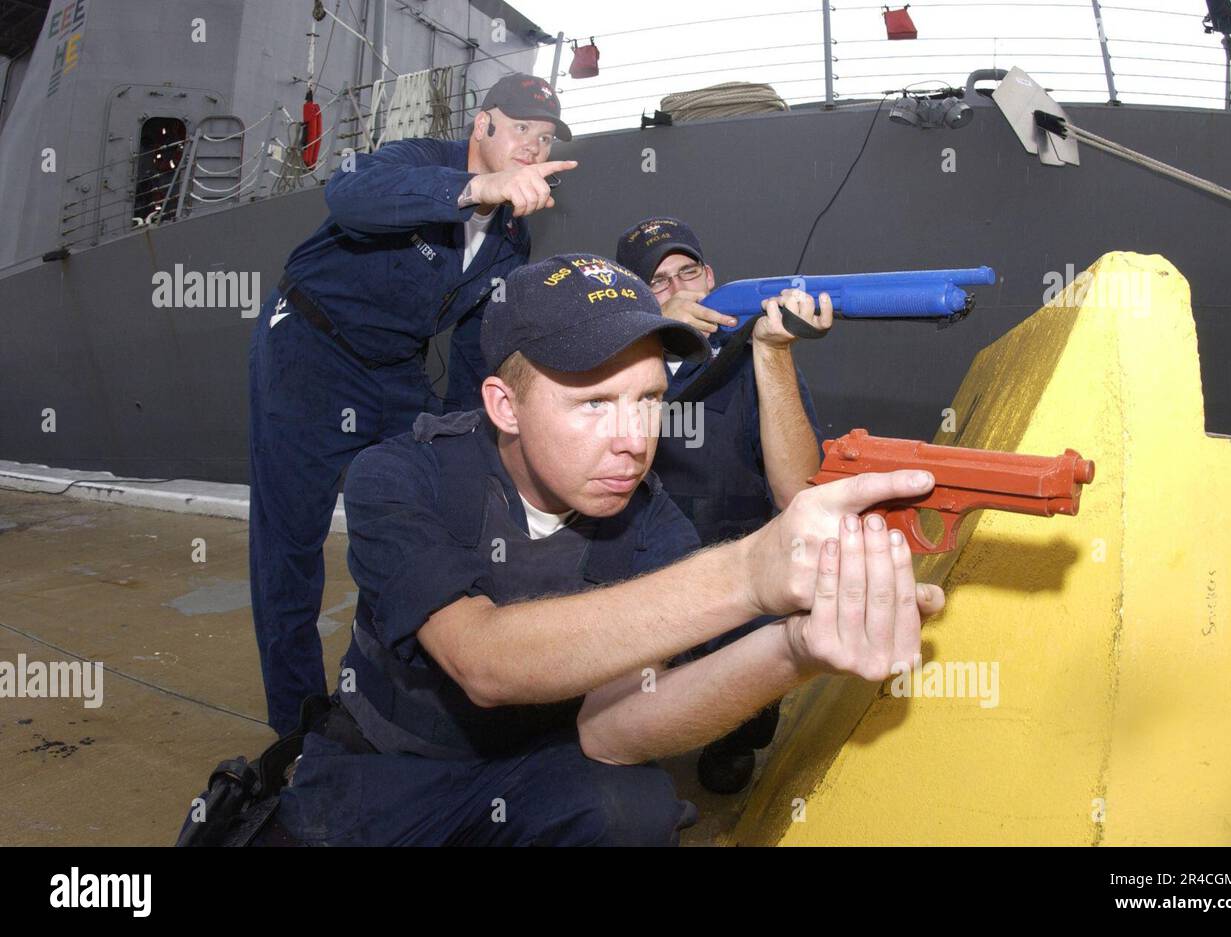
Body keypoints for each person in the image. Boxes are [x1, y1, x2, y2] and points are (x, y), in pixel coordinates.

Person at [275, 254, 945, 846]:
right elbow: (482, 660)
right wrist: (747, 572)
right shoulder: (402, 477)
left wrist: (796, 648)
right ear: (505, 406)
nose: (634, 439)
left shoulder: (649, 521)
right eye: (595, 404)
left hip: (537, 761)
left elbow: (613, 732)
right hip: (390, 770)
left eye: (649, 398)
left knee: (634, 810)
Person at [248, 73, 576, 736]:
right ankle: (300, 730)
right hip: (308, 350)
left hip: (393, 372)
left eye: (543, 140)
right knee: (289, 544)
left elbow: (476, 345)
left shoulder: (512, 241)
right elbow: (349, 195)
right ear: (482, 124)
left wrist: (467, 440)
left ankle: (393, 690)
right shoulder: (416, 163)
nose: (531, 149)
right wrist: (471, 190)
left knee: (441, 505)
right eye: (520, 131)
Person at [615, 217, 830, 793]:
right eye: (658, 282)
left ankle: (733, 734)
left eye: (690, 271)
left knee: (746, 697)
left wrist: (773, 357)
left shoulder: (752, 357)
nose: (681, 288)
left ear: (712, 276)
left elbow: (798, 491)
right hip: (635, 563)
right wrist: (656, 345)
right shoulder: (615, 368)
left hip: (736, 562)